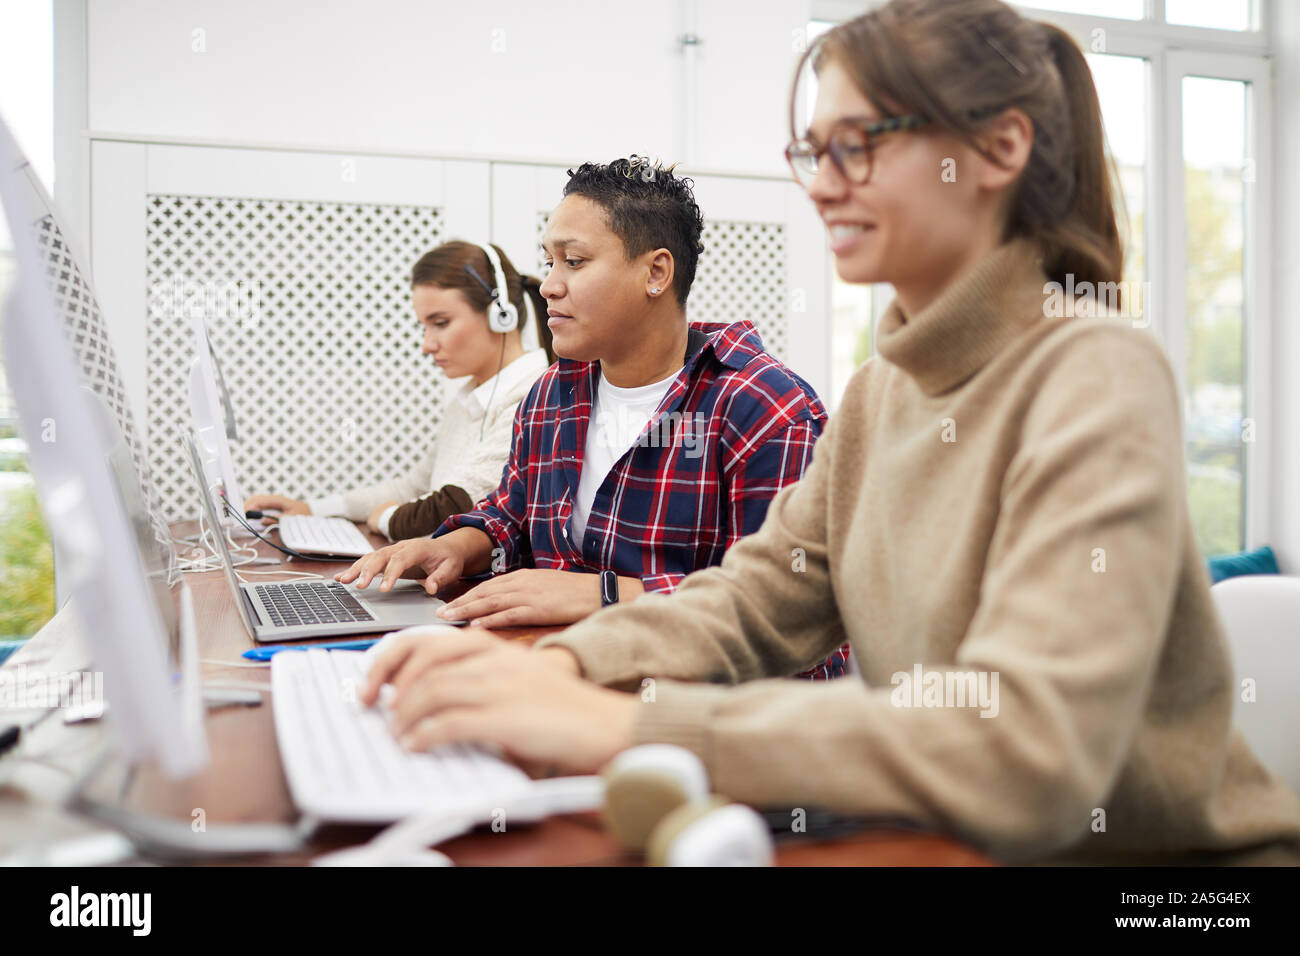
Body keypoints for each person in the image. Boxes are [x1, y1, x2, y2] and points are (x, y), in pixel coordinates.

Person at [355, 0, 1300, 864]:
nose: (823, 184)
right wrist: (558, 665)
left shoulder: (1095, 372)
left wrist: (631, 728)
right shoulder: (886, 388)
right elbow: (759, 600)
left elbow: (1030, 751)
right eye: (814, 151)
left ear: (1001, 148)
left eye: (859, 144)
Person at [338, 155, 849, 680]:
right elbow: (512, 512)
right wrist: (451, 546)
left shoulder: (764, 408)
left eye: (574, 262)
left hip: (695, 713)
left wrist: (603, 595)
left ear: (655, 272)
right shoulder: (553, 394)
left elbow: (783, 610)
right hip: (554, 675)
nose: (548, 286)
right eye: (550, 261)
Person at [244, 241, 552, 541]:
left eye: (441, 323)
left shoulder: (533, 396)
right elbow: (413, 488)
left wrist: (387, 519)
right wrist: (312, 509)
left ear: (501, 316)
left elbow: (457, 506)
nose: (426, 345)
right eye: (424, 327)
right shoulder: (469, 398)